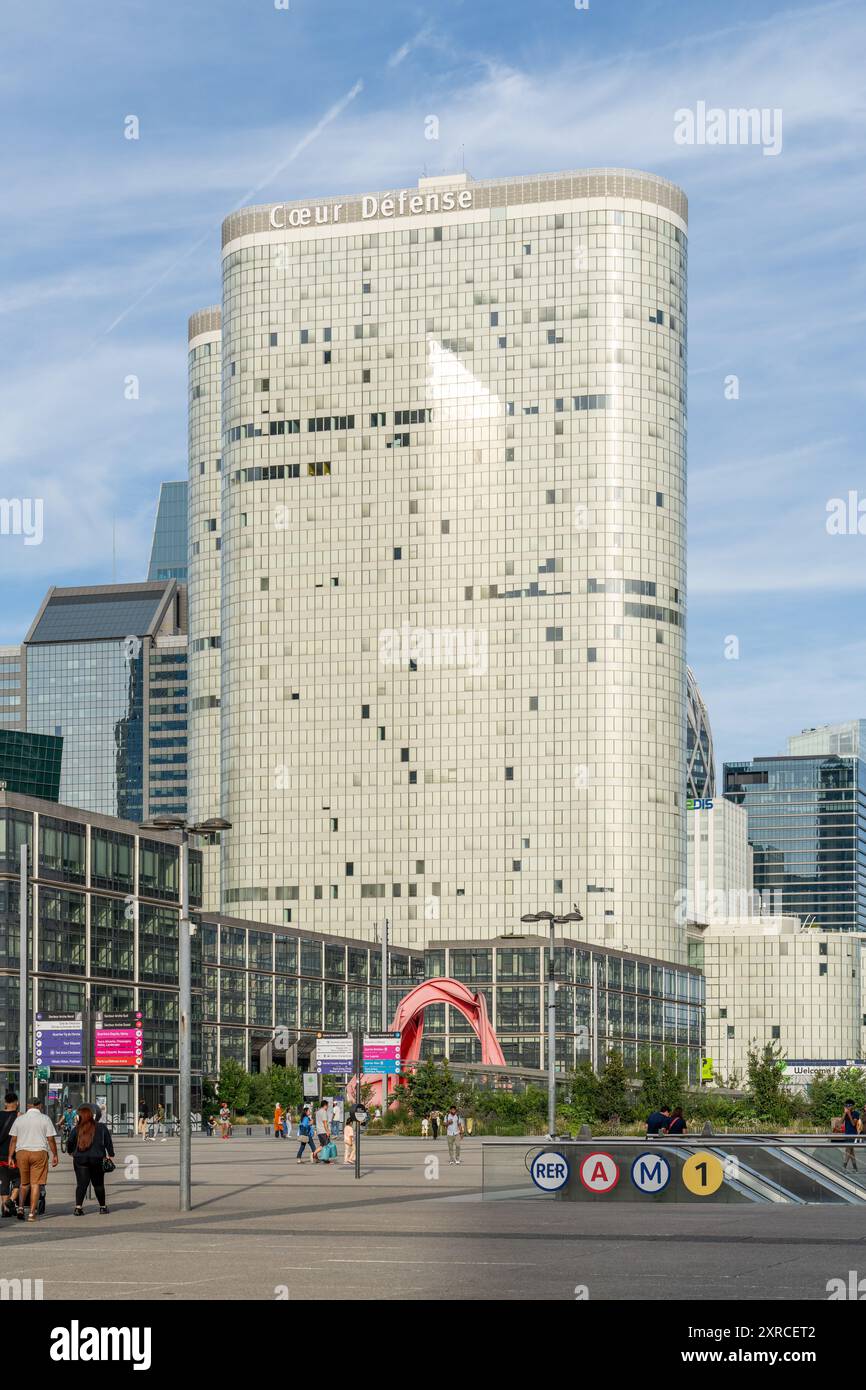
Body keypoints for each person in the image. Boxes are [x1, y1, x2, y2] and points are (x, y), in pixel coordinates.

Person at [7, 1097, 59, 1222]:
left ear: (28, 1106)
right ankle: (31, 1214)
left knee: (24, 1184)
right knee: (35, 1184)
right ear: (39, 1105)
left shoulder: (20, 1119)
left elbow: (13, 1140)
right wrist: (55, 1154)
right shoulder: (45, 1118)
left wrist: (10, 1156)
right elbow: (51, 1139)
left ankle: (20, 1208)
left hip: (22, 1153)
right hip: (39, 1153)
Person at [67, 1104, 114, 1216]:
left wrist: (71, 1152)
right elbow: (108, 1141)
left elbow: (70, 1142)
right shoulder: (101, 1127)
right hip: (97, 1159)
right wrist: (110, 1154)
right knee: (98, 1184)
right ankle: (102, 1207)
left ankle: (78, 1208)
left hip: (80, 1159)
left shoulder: (77, 1128)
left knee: (81, 1184)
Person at [0, 1091, 20, 1217]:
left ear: (5, 1103)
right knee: (20, 1179)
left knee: (3, 1181)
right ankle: (10, 1201)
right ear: (17, 1103)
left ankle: (5, 1209)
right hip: (15, 1155)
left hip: (0, 1155)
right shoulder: (19, 1117)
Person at [842, 1099, 860, 1170]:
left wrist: (849, 1114)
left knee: (848, 1150)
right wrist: (844, 1114)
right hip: (846, 1134)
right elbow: (840, 1123)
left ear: (852, 1106)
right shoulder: (846, 1114)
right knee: (851, 1151)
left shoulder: (856, 1113)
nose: (848, 1107)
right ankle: (855, 1168)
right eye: (846, 1105)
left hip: (852, 1134)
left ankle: (844, 1166)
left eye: (849, 1105)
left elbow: (853, 1124)